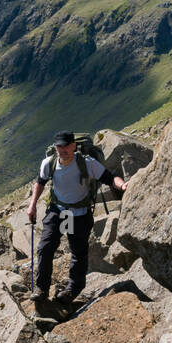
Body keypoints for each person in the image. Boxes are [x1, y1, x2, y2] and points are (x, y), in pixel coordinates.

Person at [27, 131, 127, 309]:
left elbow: (109, 178)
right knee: (45, 247)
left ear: (73, 146)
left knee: (77, 252)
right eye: (59, 146)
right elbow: (40, 182)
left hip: (79, 214)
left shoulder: (87, 164)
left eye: (66, 146)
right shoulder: (48, 163)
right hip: (58, 211)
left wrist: (122, 185)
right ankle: (41, 289)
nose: (62, 150)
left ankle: (73, 289)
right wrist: (32, 205)